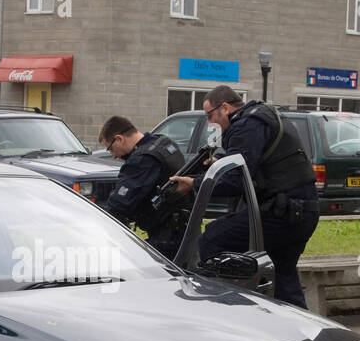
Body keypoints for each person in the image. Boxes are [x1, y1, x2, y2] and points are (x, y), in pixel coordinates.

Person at [169, 85, 319, 307]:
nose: (211, 123)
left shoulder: (246, 125)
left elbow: (235, 181)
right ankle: (300, 331)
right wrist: (220, 163)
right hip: (301, 212)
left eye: (210, 115)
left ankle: (228, 310)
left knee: (212, 238)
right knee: (283, 275)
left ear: (225, 107)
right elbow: (256, 164)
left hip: (281, 213)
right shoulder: (264, 116)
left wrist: (194, 184)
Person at [97, 116, 185, 258]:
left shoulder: (142, 160)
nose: (114, 156)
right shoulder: (163, 142)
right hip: (183, 228)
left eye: (111, 149)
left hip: (167, 236)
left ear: (119, 139)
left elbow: (119, 205)